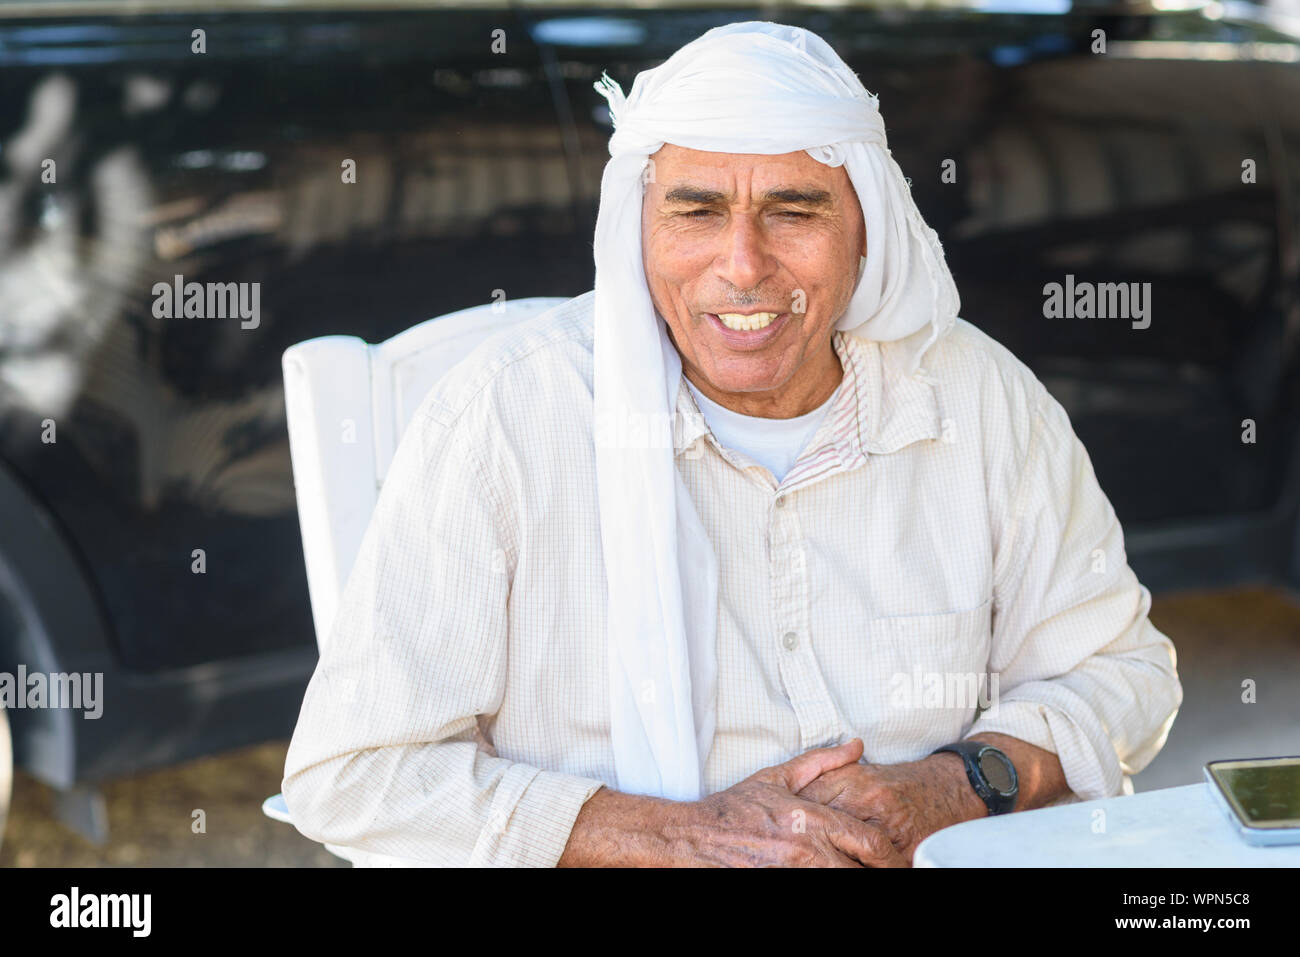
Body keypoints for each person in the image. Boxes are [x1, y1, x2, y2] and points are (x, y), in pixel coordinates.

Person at [282, 20, 1182, 867]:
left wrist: (954, 784)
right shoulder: (505, 419)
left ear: (865, 226)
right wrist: (677, 837)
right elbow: (355, 774)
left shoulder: (980, 400)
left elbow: (1118, 671)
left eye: (795, 211)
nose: (744, 264)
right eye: (697, 211)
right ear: (640, 225)